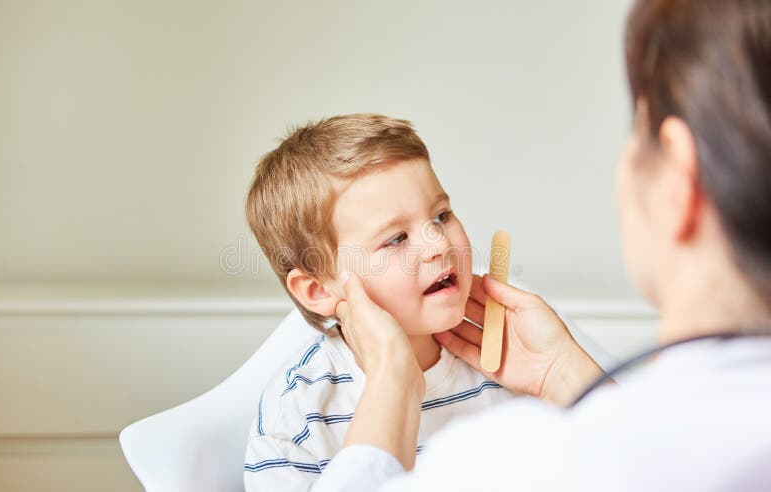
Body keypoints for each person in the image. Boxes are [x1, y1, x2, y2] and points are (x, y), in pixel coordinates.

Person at [313, 0, 771, 490]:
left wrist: (391, 382)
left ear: (680, 179)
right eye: (396, 238)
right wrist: (560, 371)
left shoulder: (506, 462)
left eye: (634, 133)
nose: (434, 245)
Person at [242, 114, 524, 490]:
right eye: (396, 239)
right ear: (320, 290)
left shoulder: (513, 357)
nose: (438, 243)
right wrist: (393, 383)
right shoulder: (296, 417)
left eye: (441, 215)